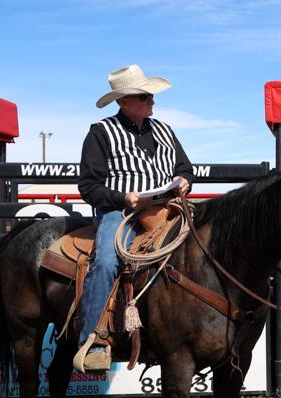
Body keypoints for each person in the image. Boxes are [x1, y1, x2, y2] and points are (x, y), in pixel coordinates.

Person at [72, 64, 194, 372]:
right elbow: (88, 186)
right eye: (143, 96)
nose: (151, 100)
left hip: (167, 208)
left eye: (151, 94)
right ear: (123, 101)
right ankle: (94, 339)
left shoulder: (165, 130)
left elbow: (185, 167)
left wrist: (184, 181)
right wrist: (124, 198)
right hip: (121, 212)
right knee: (106, 261)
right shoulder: (101, 132)